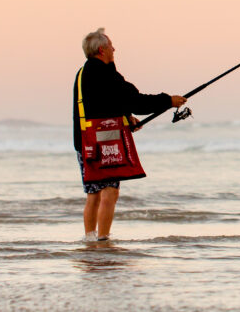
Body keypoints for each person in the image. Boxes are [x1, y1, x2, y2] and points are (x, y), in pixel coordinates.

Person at [73, 28, 185, 242]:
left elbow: (101, 104)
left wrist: (126, 117)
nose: (114, 49)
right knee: (110, 192)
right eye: (110, 46)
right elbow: (135, 100)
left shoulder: (82, 73)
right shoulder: (106, 74)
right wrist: (168, 101)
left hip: (84, 142)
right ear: (101, 50)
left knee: (93, 194)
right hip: (105, 142)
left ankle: (90, 240)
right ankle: (103, 241)